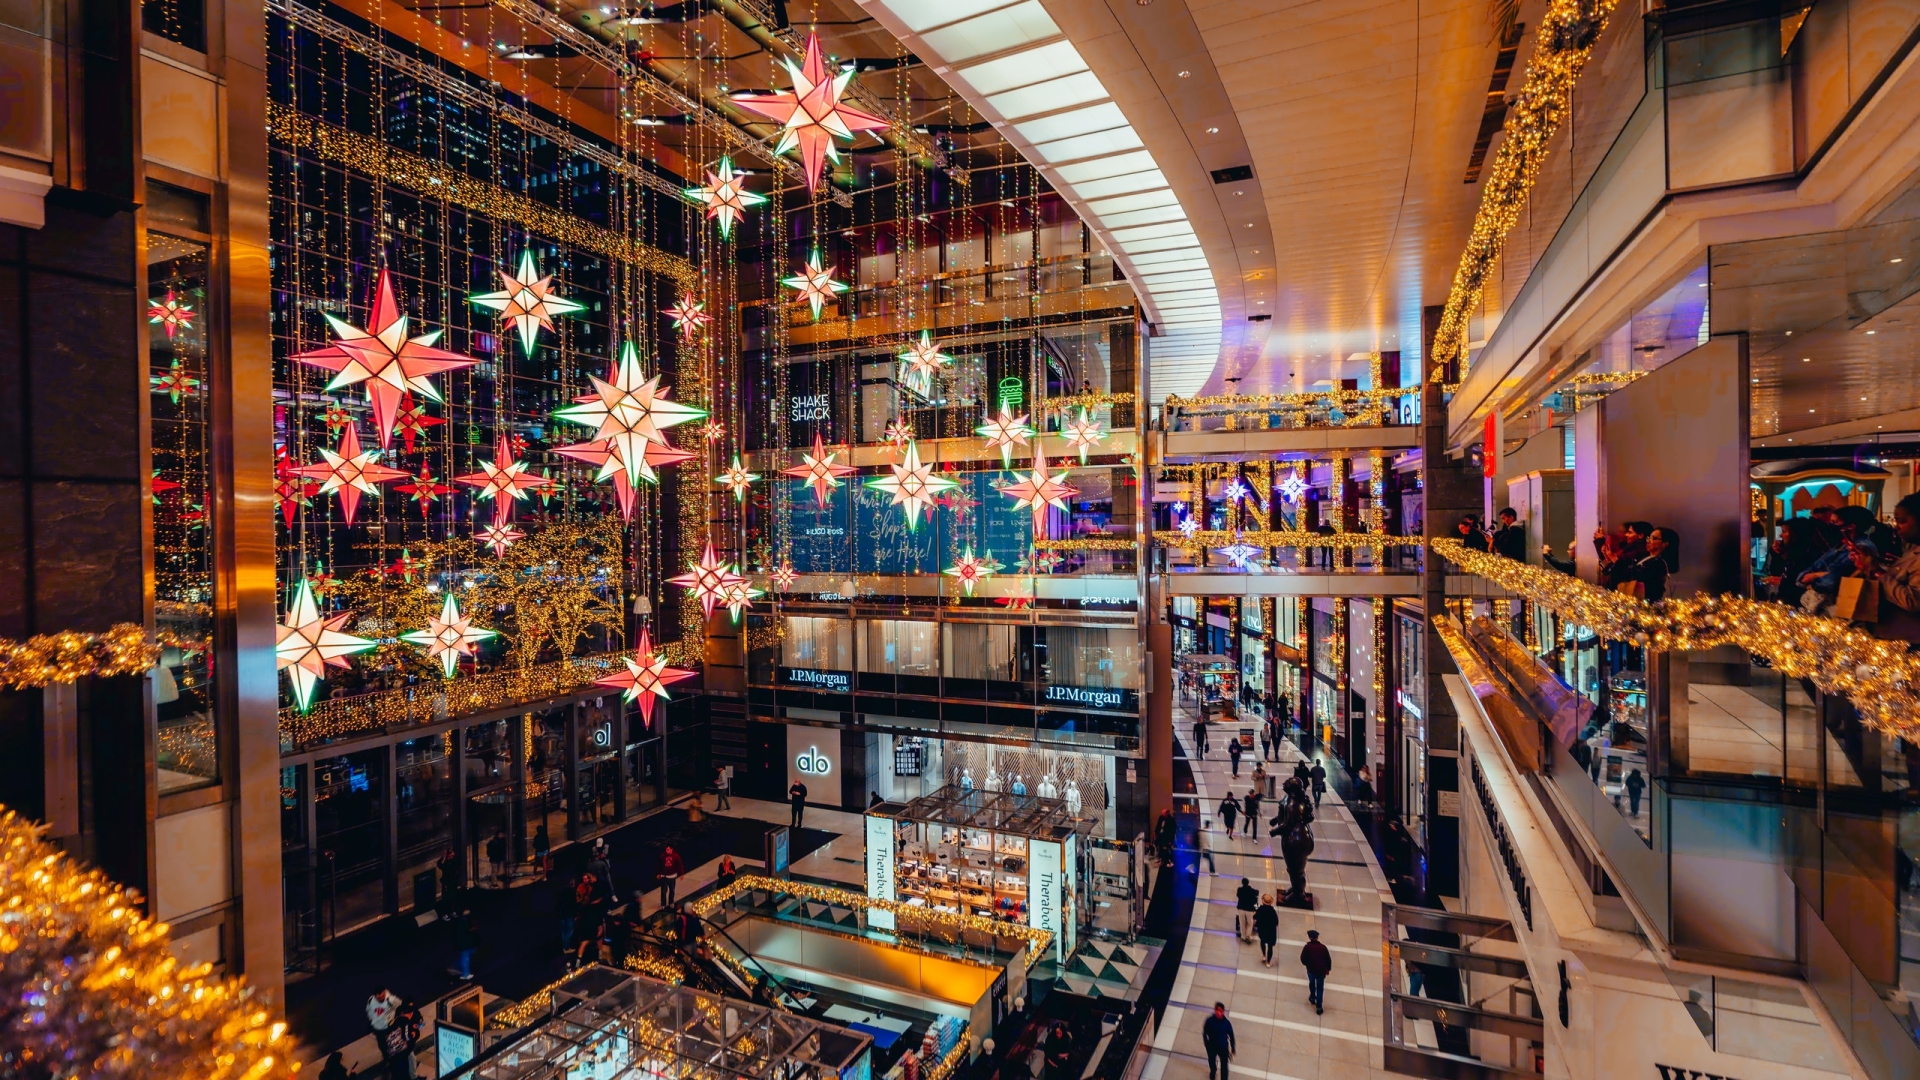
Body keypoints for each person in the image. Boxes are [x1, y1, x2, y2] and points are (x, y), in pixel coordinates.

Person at [1300, 929, 1333, 1015]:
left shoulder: (1307, 947)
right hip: (1321, 971)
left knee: (1312, 983)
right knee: (1320, 988)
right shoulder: (1323, 947)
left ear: (1309, 937)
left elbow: (1302, 959)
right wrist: (1328, 969)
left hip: (1311, 970)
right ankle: (1319, 1007)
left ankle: (1312, 997)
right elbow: (1328, 960)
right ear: (1317, 937)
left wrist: (1307, 964)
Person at [1201, 1002, 1236, 1080]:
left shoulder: (1226, 1023)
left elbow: (1231, 1035)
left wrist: (1233, 1047)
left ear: (1223, 1012)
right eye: (1217, 1010)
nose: (1218, 1012)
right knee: (1212, 1061)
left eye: (1220, 1011)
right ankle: (1213, 1072)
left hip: (1223, 1048)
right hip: (1212, 1046)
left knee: (1224, 1066)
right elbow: (1205, 1032)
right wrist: (1206, 1044)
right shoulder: (1209, 1021)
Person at [451, 906, 478, 980]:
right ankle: (465, 974)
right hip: (464, 943)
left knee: (466, 956)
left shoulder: (460, 920)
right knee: (465, 957)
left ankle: (455, 968)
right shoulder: (462, 921)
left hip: (463, 943)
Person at [556, 872, 579, 955]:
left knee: (563, 930)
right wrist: (575, 914)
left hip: (562, 913)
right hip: (569, 914)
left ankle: (564, 946)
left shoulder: (562, 891)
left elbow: (558, 903)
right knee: (569, 930)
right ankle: (566, 947)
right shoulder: (572, 892)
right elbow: (573, 904)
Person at [1254, 893, 1279, 965]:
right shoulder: (1272, 911)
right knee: (1270, 946)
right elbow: (1276, 922)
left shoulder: (1260, 909)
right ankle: (1268, 962)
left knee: (1262, 941)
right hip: (1271, 931)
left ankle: (1264, 955)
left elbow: (1255, 917)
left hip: (1262, 929)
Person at [1235, 877, 1259, 942]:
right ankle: (1248, 936)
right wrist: (1256, 909)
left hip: (1241, 908)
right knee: (1250, 923)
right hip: (1250, 909)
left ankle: (1243, 936)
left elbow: (1238, 896)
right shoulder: (1253, 891)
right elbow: (1255, 901)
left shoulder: (1240, 890)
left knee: (1242, 922)